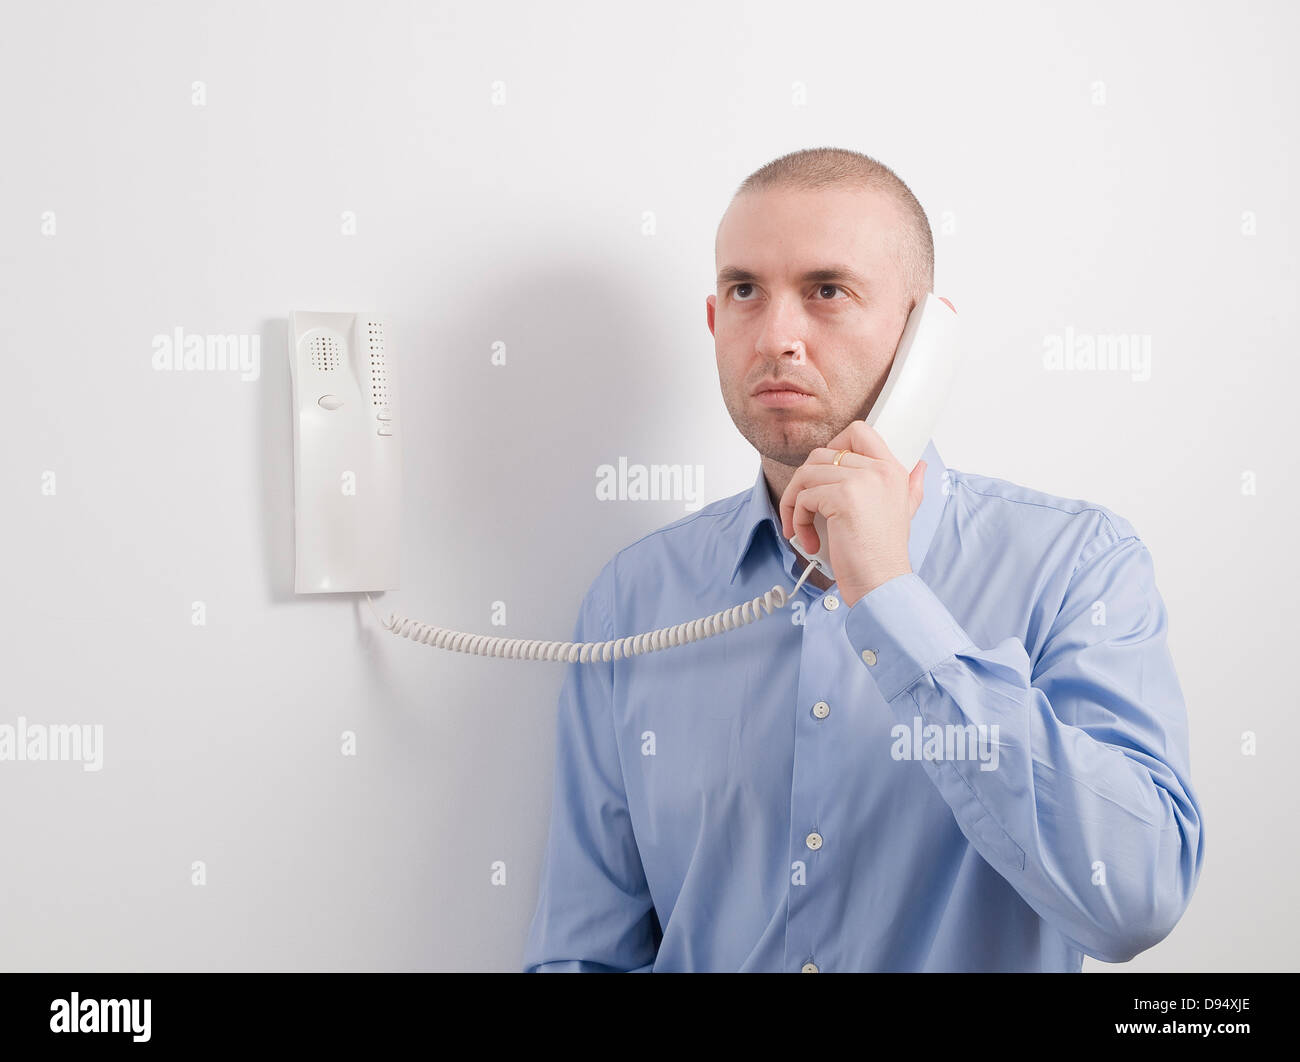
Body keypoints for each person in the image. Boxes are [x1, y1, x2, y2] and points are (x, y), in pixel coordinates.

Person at [521, 146, 1204, 972]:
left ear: (926, 337)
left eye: (827, 291)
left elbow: (1136, 899)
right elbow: (583, 952)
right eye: (745, 291)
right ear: (714, 321)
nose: (777, 337)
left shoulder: (1077, 567)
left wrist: (890, 595)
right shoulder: (633, 602)